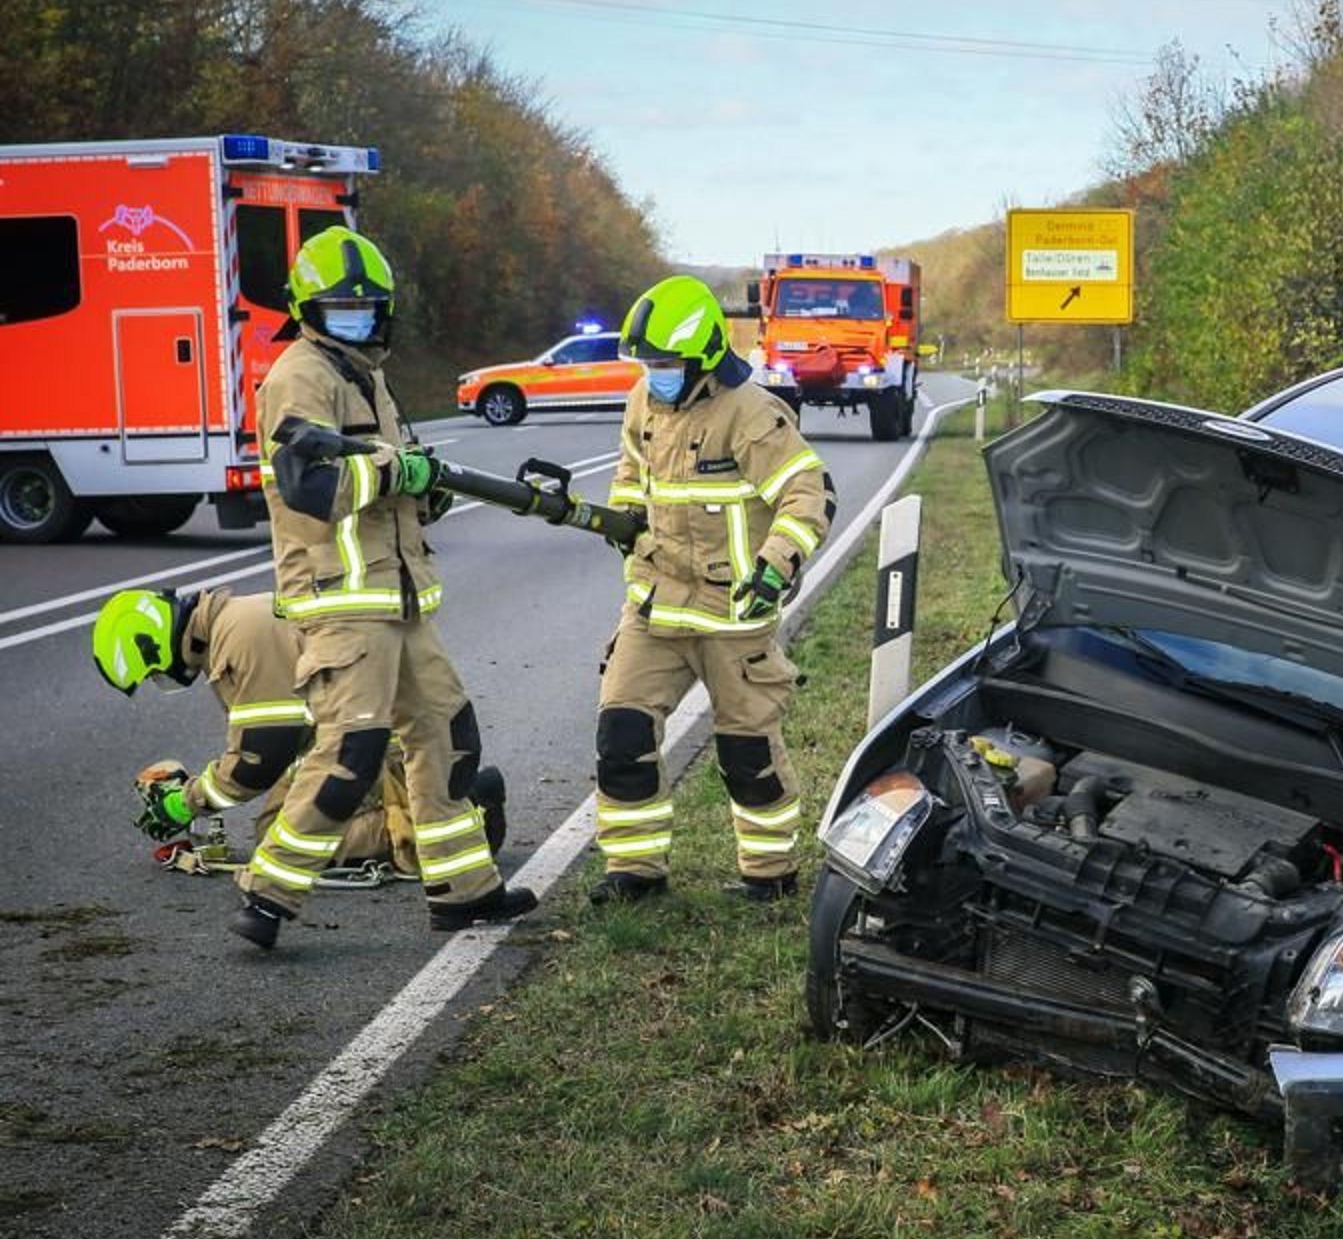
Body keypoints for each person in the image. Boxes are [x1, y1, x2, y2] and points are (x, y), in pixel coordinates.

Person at [233, 225, 534, 949]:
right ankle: (266, 896)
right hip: (343, 602)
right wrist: (398, 473)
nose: (358, 324)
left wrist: (427, 492)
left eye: (368, 312)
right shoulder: (300, 375)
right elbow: (311, 486)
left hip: (398, 598)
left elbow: (401, 473)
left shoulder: (368, 374)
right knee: (351, 756)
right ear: (308, 312)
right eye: (342, 312)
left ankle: (463, 891)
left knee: (448, 736)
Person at [591, 274, 834, 905]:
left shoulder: (751, 413)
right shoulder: (645, 400)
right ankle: (634, 873)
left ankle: (769, 873)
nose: (654, 373)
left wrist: (777, 562)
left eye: (666, 362)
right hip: (654, 606)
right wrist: (623, 523)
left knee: (747, 753)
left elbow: (807, 494)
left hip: (734, 612)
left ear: (702, 358)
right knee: (622, 733)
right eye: (647, 362)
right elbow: (630, 474)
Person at [90, 585, 508, 875]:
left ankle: (460, 817)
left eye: (156, 675)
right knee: (279, 818)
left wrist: (184, 804)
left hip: (388, 744)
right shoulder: (235, 624)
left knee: (280, 836)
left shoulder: (240, 640)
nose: (167, 681)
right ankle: (446, 804)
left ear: (155, 646)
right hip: (373, 734)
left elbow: (259, 760)